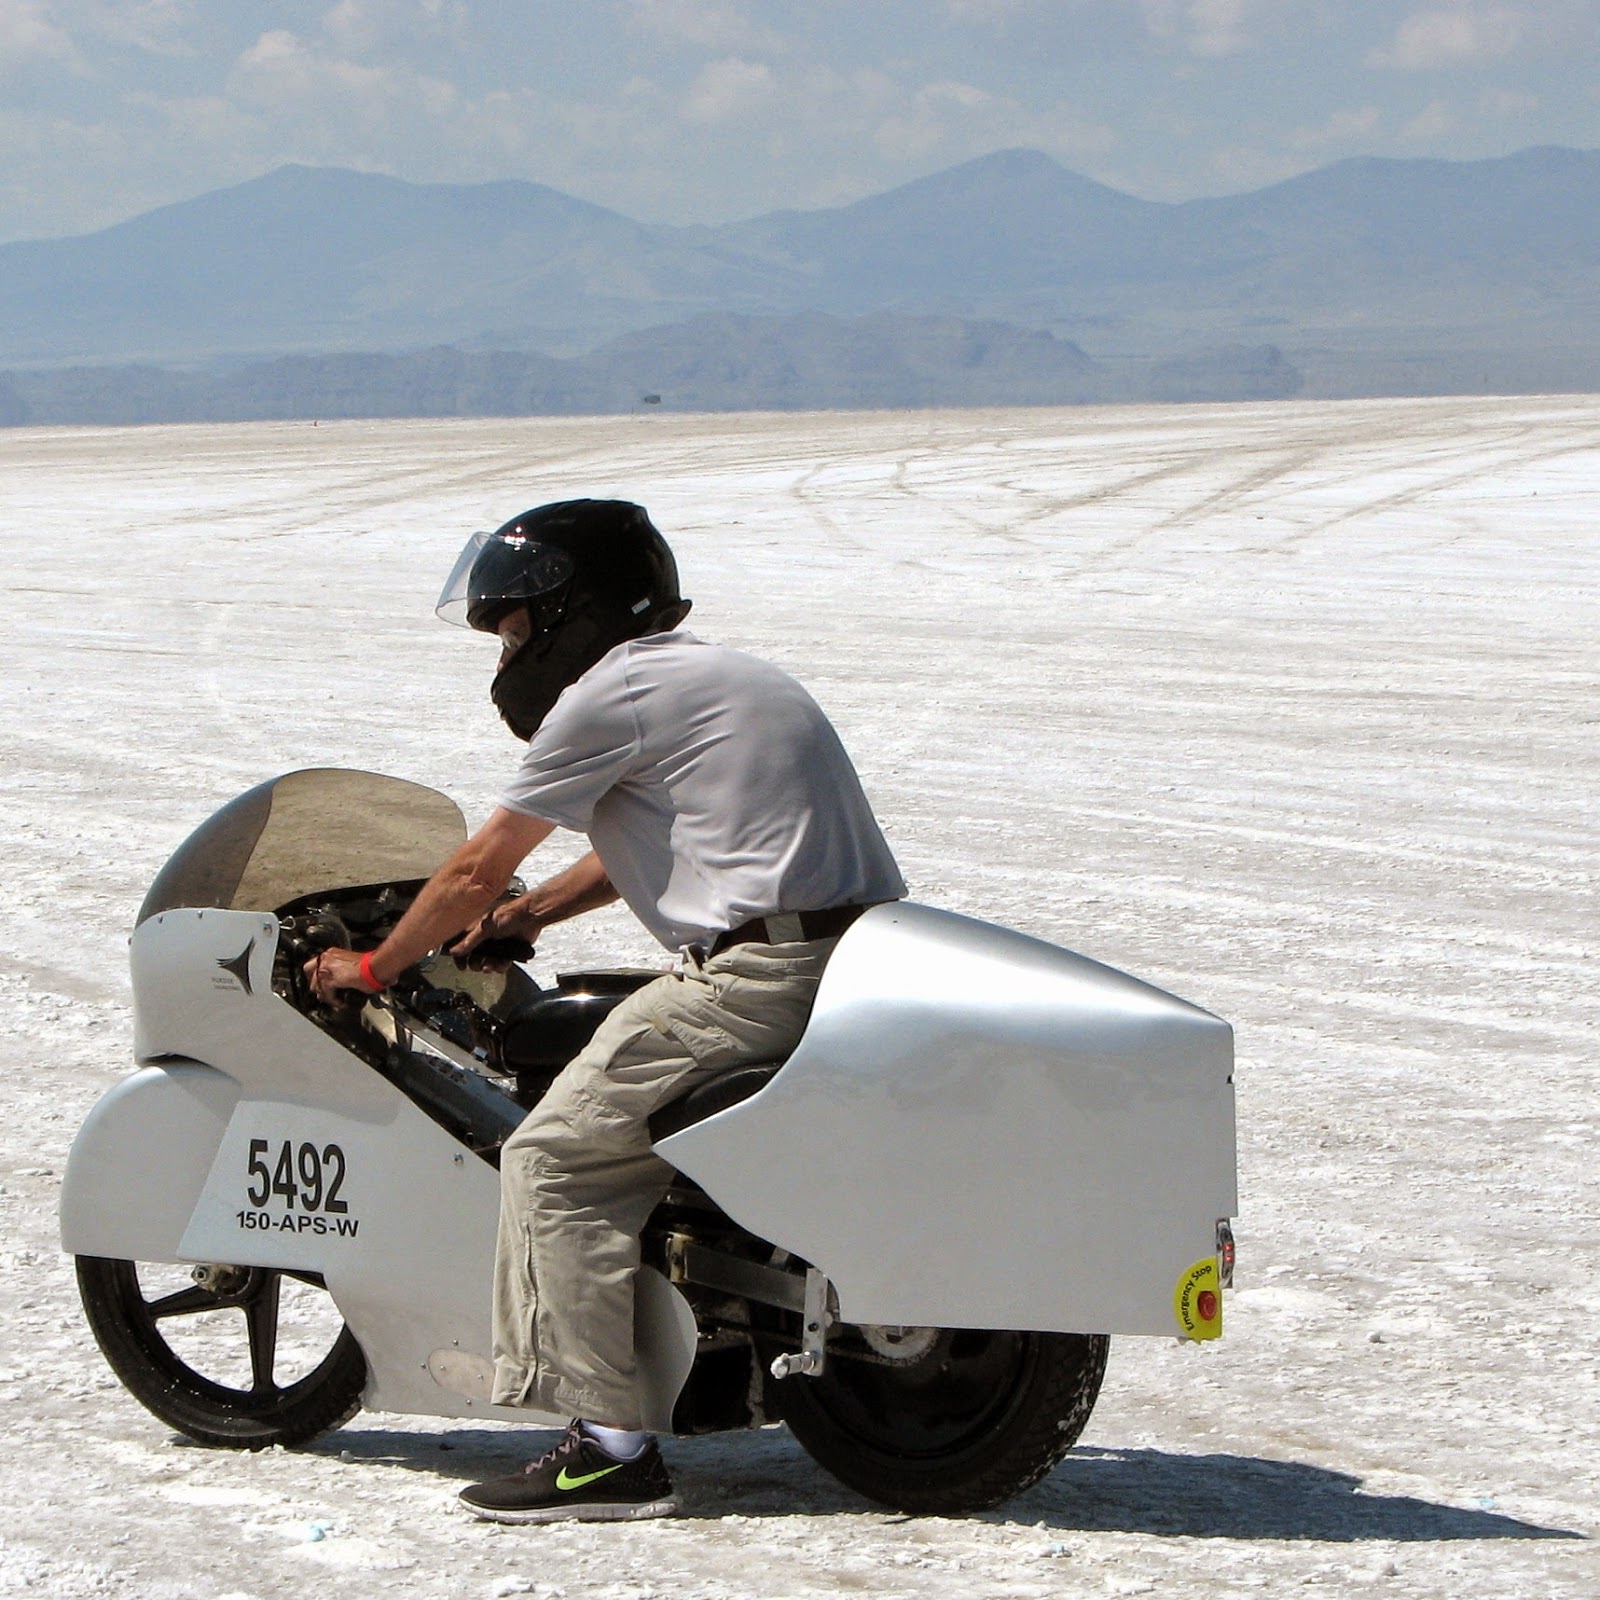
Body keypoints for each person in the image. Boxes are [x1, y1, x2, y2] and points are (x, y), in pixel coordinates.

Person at [307, 499, 905, 1523]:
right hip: (859, 965)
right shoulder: (723, 674)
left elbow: (468, 866)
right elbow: (661, 838)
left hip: (754, 980)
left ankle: (606, 1449)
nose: (506, 654)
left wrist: (373, 964)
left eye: (510, 629)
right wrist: (528, 915)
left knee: (555, 1162)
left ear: (566, 614)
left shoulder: (613, 691)